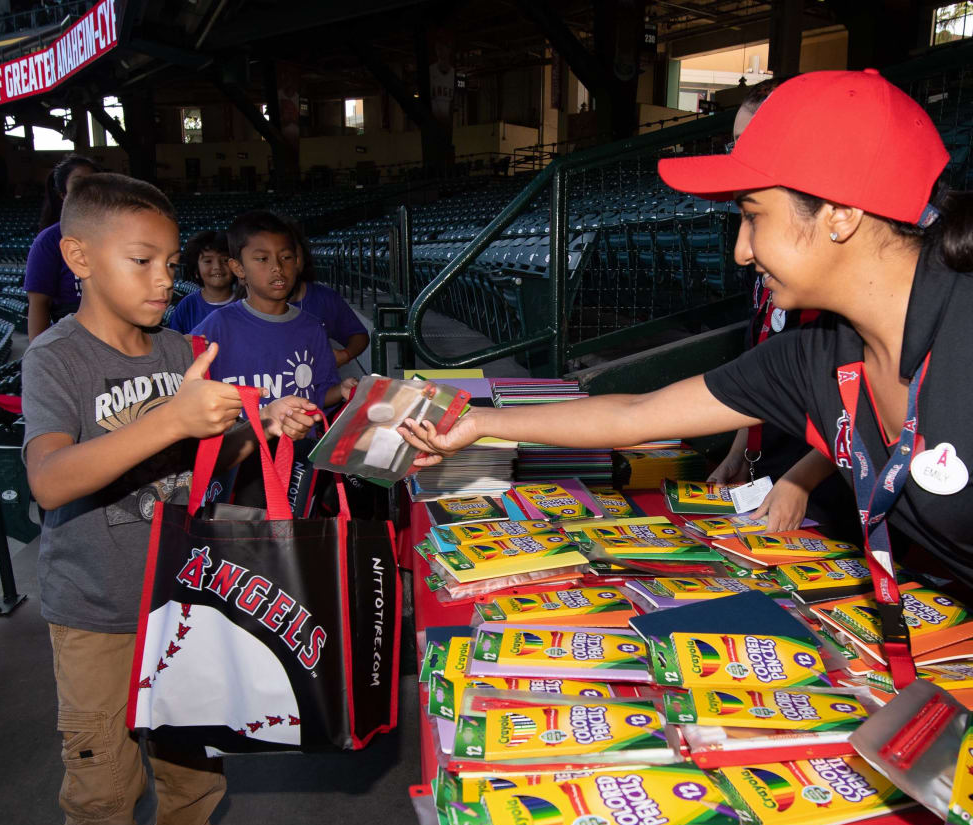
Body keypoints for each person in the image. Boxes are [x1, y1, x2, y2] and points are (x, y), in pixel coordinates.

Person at [401, 69, 973, 605]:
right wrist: (480, 424)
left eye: (753, 216)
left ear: (839, 213)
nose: (741, 252)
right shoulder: (818, 354)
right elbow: (636, 414)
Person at [21, 174, 320, 825]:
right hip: (97, 616)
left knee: (192, 779)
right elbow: (49, 480)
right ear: (79, 257)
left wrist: (258, 424)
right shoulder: (56, 359)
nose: (166, 279)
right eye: (143, 261)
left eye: (171, 260)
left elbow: (207, 452)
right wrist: (170, 420)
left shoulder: (182, 351)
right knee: (104, 793)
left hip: (189, 604)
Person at [707, 78, 854, 536]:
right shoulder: (771, 251)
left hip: (830, 483)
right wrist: (740, 450)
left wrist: (801, 478)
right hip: (771, 461)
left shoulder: (839, 271)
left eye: (749, 140)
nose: (743, 252)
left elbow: (867, 406)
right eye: (734, 143)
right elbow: (758, 366)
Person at [193, 210, 354, 412]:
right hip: (243, 434)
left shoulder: (312, 328)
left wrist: (341, 390)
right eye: (262, 259)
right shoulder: (217, 326)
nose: (277, 267)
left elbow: (317, 395)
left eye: (286, 257)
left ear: (297, 262)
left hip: (299, 433)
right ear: (238, 268)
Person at [25, 155, 102, 341]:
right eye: (79, 184)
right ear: (63, 195)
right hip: (75, 343)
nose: (87, 190)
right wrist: (40, 353)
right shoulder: (49, 241)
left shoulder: (119, 234)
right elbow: (38, 304)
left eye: (93, 183)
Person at [286, 220, 370, 371]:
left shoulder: (325, 298)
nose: (282, 263)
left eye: (289, 255)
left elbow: (359, 335)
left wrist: (344, 355)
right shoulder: (248, 305)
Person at [168, 229, 235, 335]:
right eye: (208, 261)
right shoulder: (187, 306)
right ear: (196, 269)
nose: (217, 267)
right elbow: (174, 342)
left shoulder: (247, 302)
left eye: (225, 260)